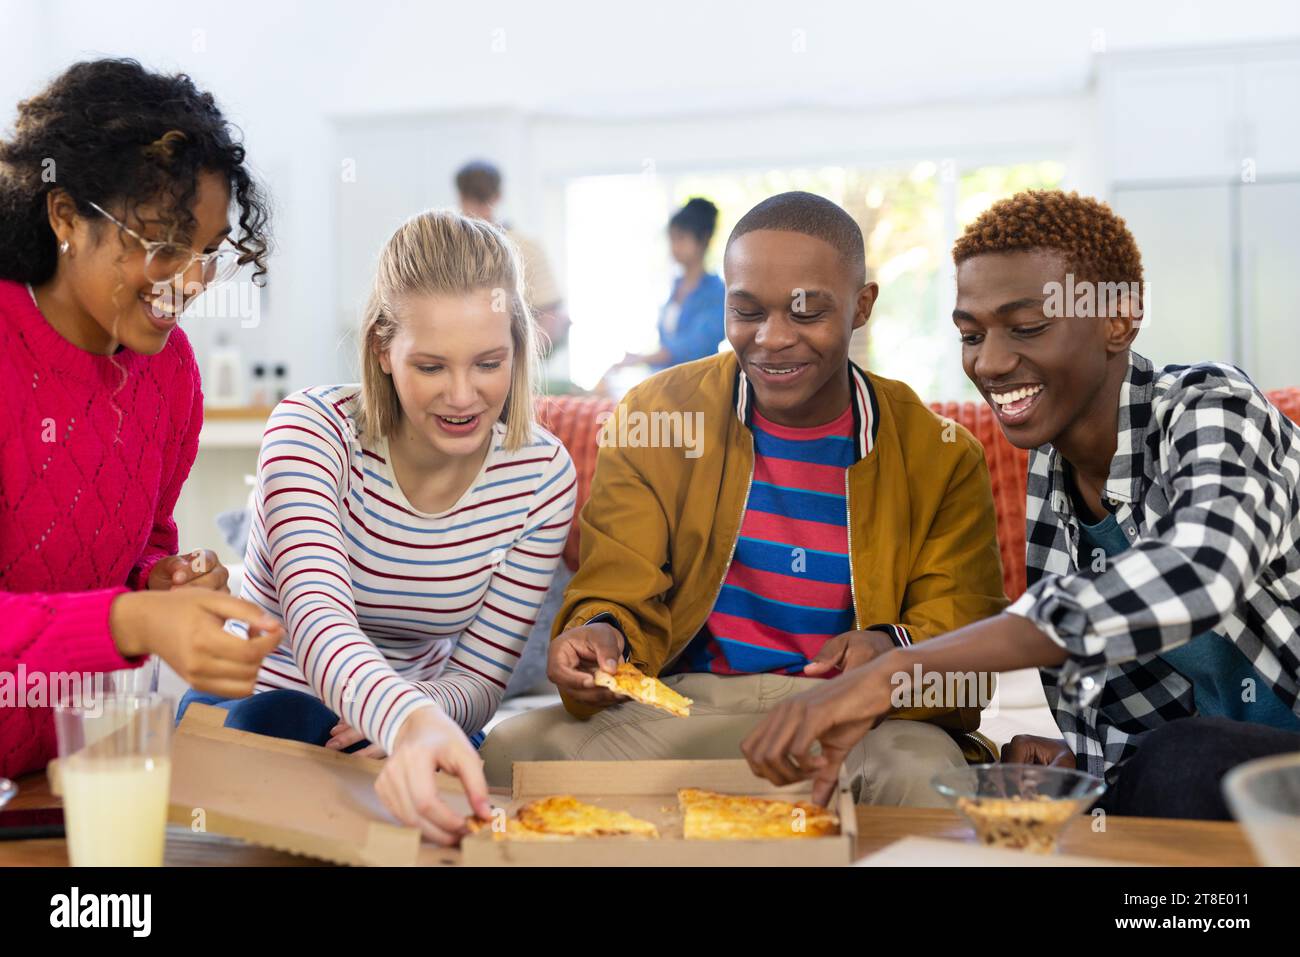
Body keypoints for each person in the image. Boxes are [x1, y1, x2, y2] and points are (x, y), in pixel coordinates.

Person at [741, 190, 1300, 819]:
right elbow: (1136, 703)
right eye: (971, 334)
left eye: (1028, 327)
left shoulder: (1210, 406)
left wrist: (893, 669)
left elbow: (1198, 573)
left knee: (1181, 760)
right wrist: (1083, 767)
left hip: (1252, 769)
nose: (992, 362)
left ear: (1118, 319)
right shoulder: (1049, 478)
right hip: (1233, 785)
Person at [481, 191, 1007, 806]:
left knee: (926, 782)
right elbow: (615, 587)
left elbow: (965, 646)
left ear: (862, 307)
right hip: (686, 707)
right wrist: (600, 634)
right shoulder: (657, 416)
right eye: (747, 311)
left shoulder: (942, 454)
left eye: (807, 313)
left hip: (856, 718)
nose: (771, 338)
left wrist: (891, 649)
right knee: (507, 754)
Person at [178, 209, 577, 845]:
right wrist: (404, 718)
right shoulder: (310, 431)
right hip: (268, 705)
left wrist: (417, 719)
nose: (462, 395)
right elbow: (317, 622)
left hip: (415, 722)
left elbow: (479, 680)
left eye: (487, 363)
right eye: (431, 366)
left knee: (466, 792)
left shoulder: (541, 476)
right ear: (382, 351)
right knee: (282, 724)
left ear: (518, 350)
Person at [0, 58, 283, 781]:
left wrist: (160, 580)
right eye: (162, 244)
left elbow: (139, 543)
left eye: (209, 253)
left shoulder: (170, 374)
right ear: (65, 216)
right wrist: (134, 622)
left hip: (56, 775)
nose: (190, 283)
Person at [611, 197, 725, 372]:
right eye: (672, 239)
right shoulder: (676, 287)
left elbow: (692, 347)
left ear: (703, 240)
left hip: (699, 384)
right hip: (668, 382)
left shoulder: (717, 293)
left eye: (681, 238)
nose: (674, 247)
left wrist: (640, 358)